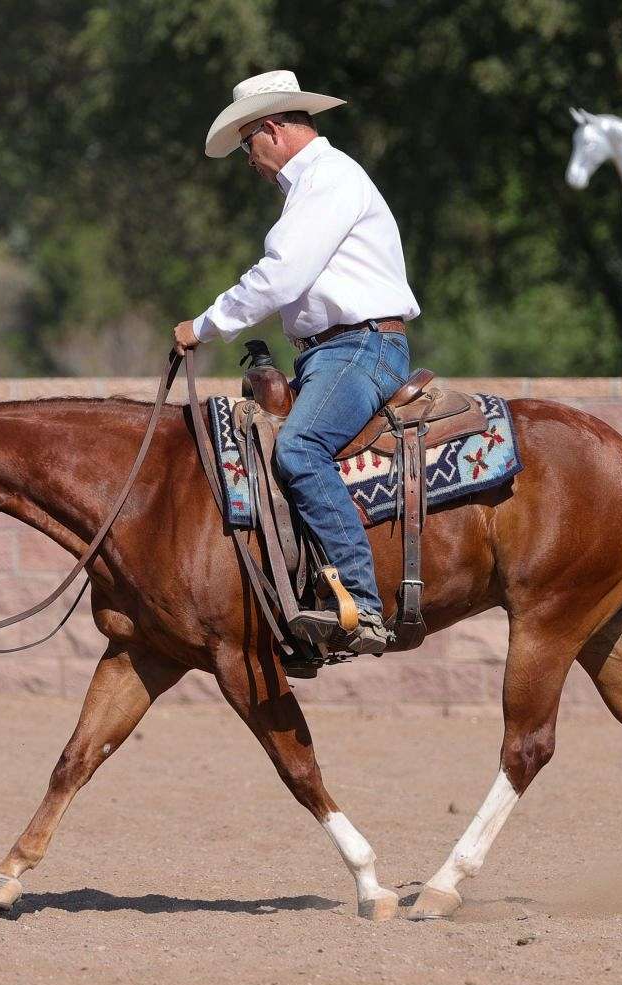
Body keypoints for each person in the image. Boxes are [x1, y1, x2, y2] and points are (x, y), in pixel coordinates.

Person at [172, 70, 420, 656]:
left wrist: (204, 327)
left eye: (247, 147)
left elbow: (281, 275)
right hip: (335, 351)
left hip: (360, 349)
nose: (250, 162)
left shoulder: (330, 180)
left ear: (272, 130)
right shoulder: (321, 185)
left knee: (299, 448)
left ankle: (361, 601)